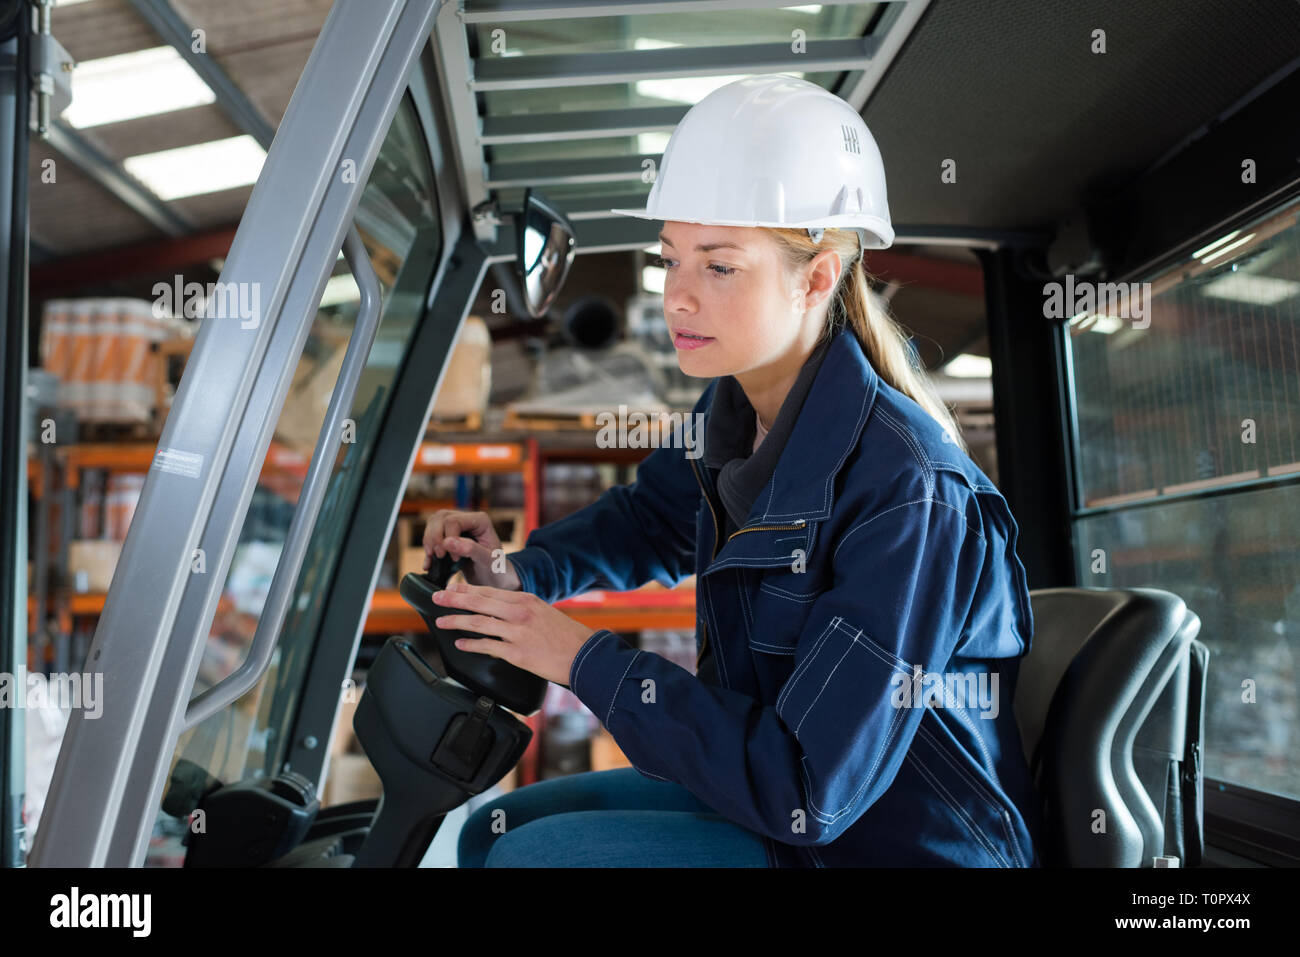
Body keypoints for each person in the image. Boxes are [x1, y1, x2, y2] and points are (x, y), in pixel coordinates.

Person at [424, 75, 1043, 867]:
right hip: (781, 805)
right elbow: (647, 519)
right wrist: (517, 573)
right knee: (489, 832)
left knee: (526, 860)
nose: (676, 297)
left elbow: (812, 785)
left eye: (718, 267)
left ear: (816, 276)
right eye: (670, 258)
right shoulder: (738, 413)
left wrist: (583, 660)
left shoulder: (910, 493)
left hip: (890, 844)